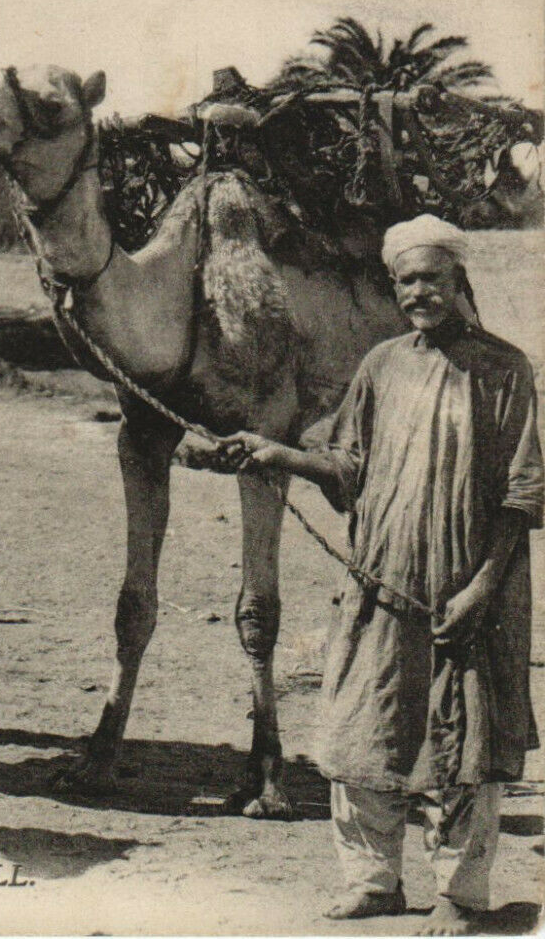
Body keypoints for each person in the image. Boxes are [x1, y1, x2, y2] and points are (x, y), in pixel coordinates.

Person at [223, 214, 541, 935]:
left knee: (465, 742)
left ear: (460, 280)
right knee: (364, 725)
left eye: (431, 277)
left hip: (468, 592)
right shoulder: (383, 364)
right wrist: (275, 453)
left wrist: (481, 589)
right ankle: (374, 881)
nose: (418, 292)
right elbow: (349, 467)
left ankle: (461, 893)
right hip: (382, 585)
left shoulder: (504, 370)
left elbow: (522, 497)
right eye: (405, 280)